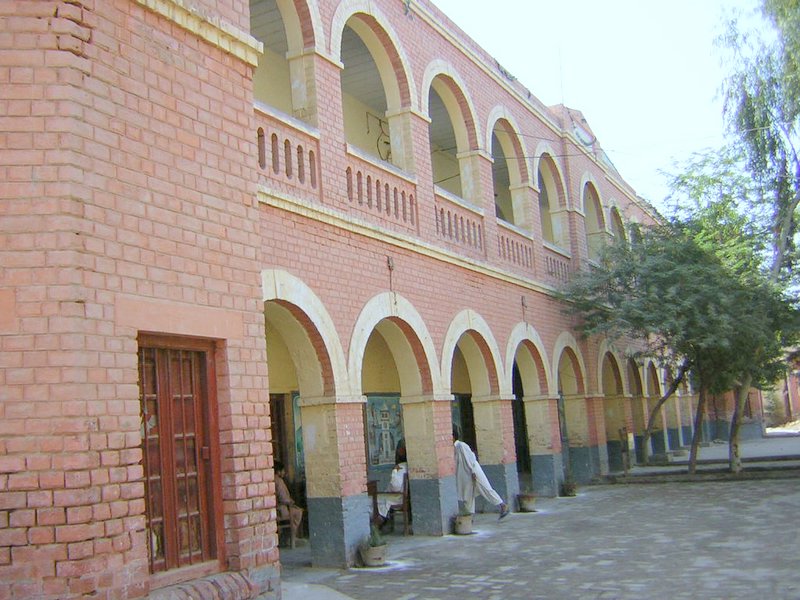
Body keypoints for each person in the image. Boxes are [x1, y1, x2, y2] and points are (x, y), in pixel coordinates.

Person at [453, 426, 509, 519]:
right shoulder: (453, 448)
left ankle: (502, 505)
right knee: (467, 495)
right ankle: (470, 517)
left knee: (485, 488)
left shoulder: (461, 446)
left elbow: (470, 459)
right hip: (464, 474)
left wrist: (473, 471)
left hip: (473, 471)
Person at [274, 461, 303, 541]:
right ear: (278, 471)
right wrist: (290, 501)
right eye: (283, 470)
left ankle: (287, 536)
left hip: (276, 510)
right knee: (298, 512)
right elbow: (283, 498)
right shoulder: (279, 481)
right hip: (281, 510)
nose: (284, 472)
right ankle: (291, 537)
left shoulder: (272, 480)